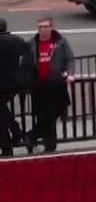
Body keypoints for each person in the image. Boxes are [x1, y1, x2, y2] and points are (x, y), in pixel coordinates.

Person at [27, 17, 73, 153]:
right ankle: (49, 145)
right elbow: (28, 63)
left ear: (51, 27)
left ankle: (32, 136)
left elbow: (70, 58)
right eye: (40, 27)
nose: (42, 29)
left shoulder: (60, 42)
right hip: (39, 86)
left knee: (54, 113)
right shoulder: (32, 43)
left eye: (45, 26)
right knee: (45, 116)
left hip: (56, 85)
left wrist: (70, 73)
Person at [0, 18, 27, 156]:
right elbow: (27, 54)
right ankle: (13, 136)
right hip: (15, 83)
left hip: (2, 84)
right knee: (2, 113)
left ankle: (11, 139)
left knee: (2, 113)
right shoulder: (16, 40)